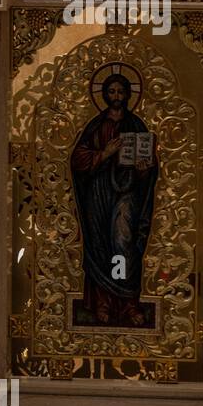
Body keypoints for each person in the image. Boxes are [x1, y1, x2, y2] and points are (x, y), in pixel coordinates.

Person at [69, 72, 158, 327]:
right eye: (111, 92)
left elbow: (150, 168)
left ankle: (129, 304)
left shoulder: (137, 125)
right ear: (105, 95)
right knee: (99, 245)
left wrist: (143, 167)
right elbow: (77, 159)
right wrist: (105, 153)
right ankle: (103, 304)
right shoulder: (96, 125)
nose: (116, 97)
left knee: (123, 243)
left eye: (120, 92)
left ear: (128, 94)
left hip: (127, 194)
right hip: (98, 195)